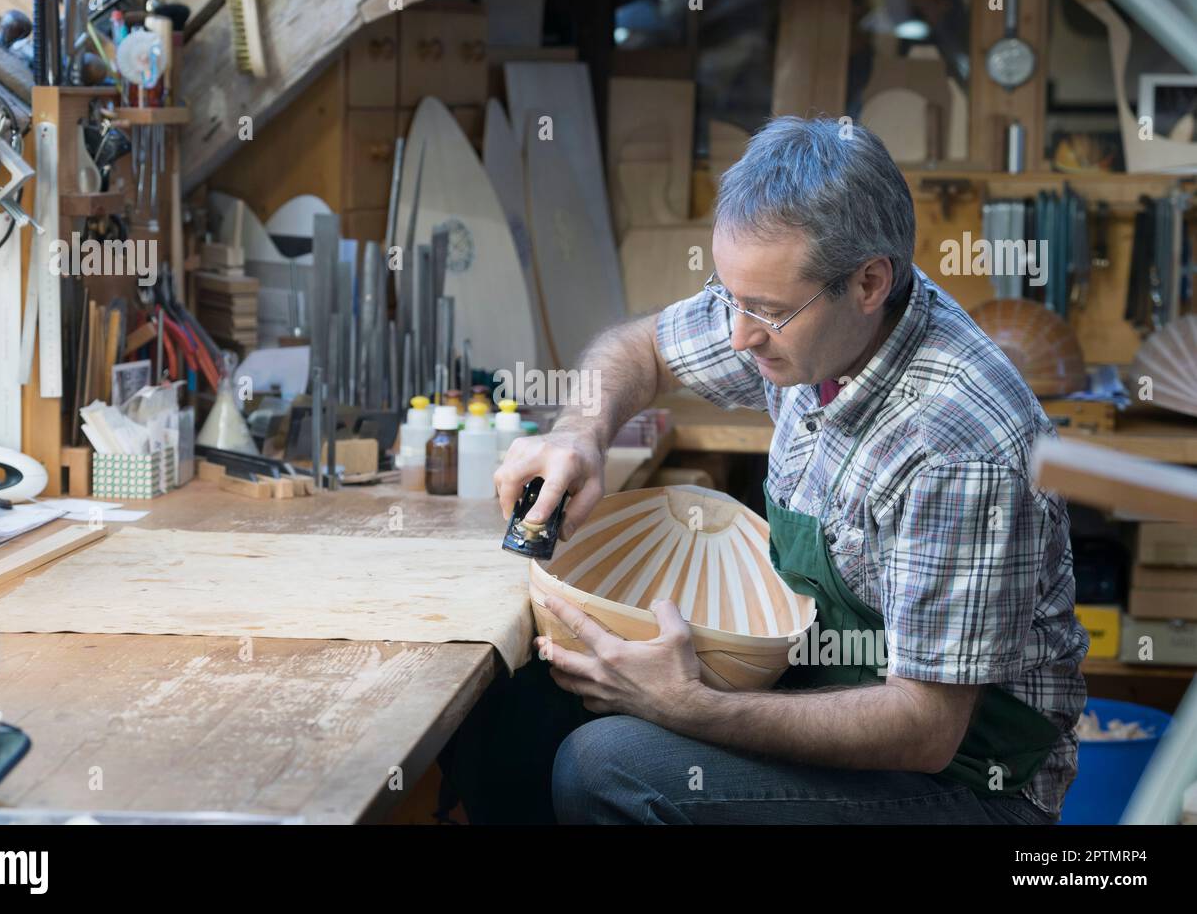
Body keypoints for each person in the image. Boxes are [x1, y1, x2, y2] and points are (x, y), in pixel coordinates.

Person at [439, 116, 1087, 825]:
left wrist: (693, 708)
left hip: (964, 783)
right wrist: (581, 432)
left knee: (610, 767)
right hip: (825, 682)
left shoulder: (957, 447)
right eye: (731, 298)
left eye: (767, 312)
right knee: (514, 698)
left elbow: (926, 726)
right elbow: (643, 349)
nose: (740, 334)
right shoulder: (812, 315)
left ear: (871, 282)